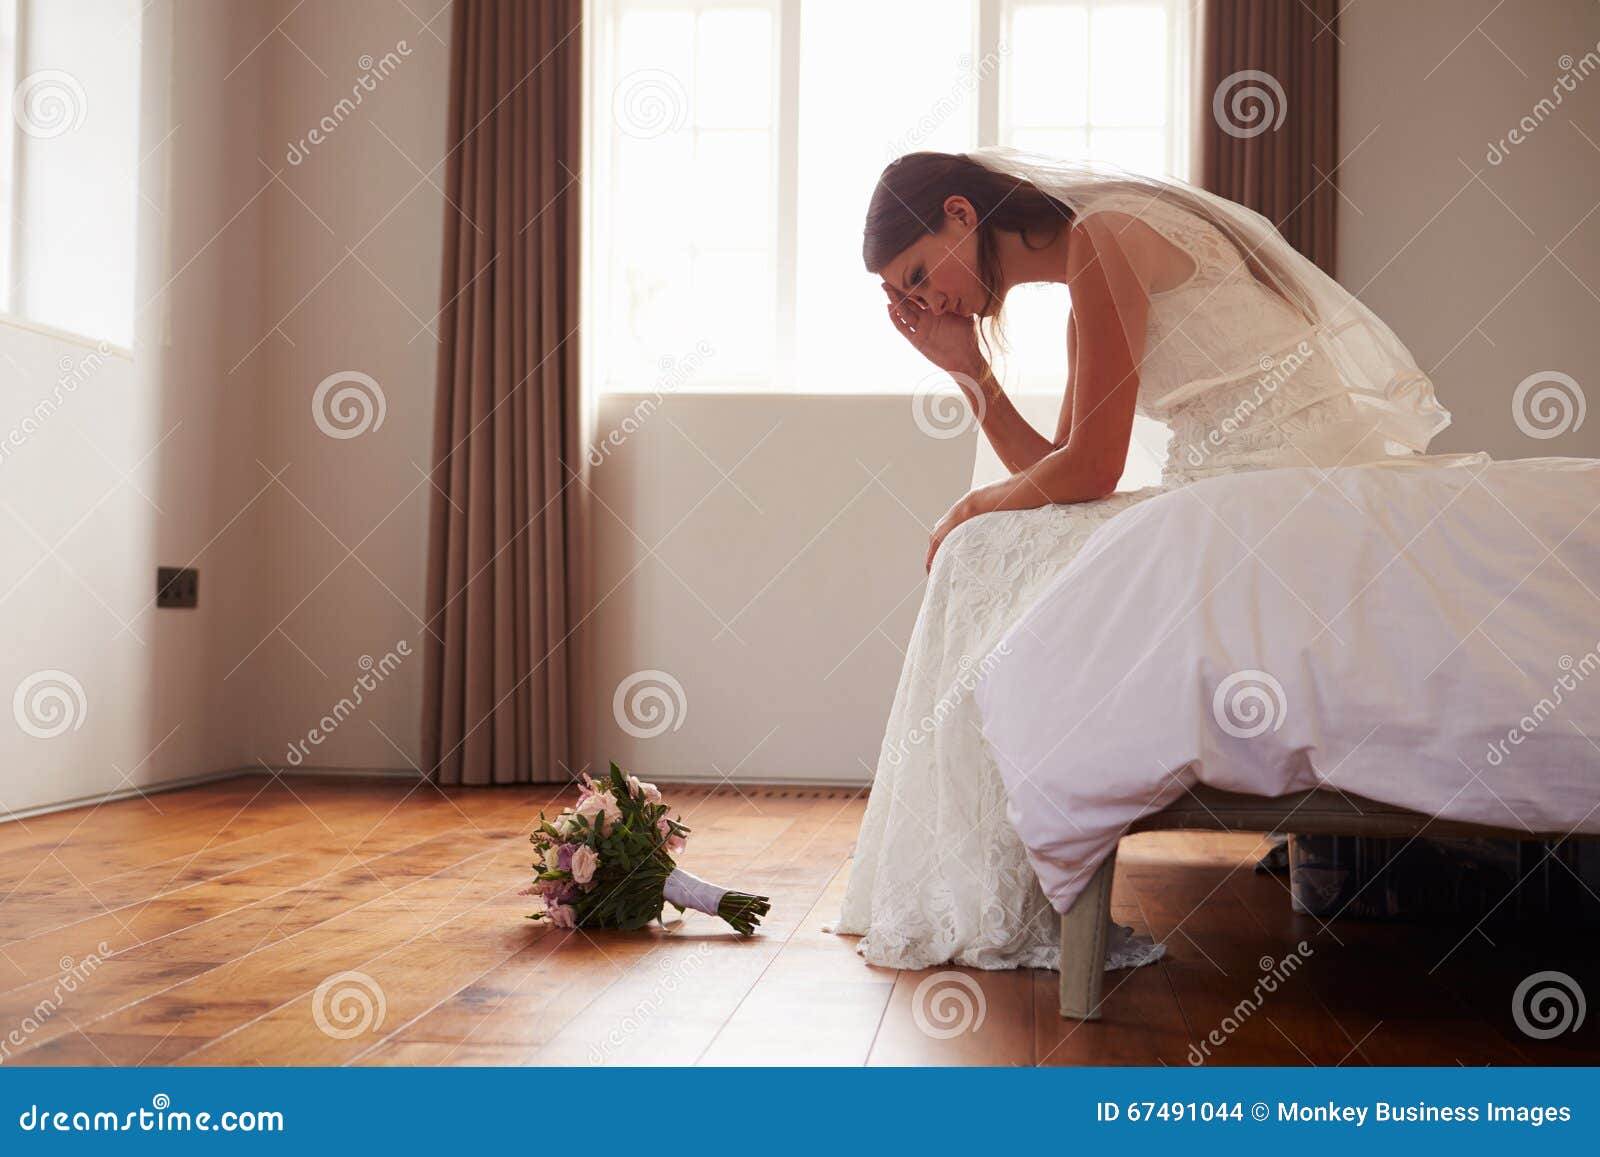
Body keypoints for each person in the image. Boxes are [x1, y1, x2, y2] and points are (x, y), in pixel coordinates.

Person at [828, 146, 1458, 970]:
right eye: (911, 296)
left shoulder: (1106, 235)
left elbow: (1087, 469)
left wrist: (970, 505)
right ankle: (995, 869)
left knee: (980, 547)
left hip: (1277, 493)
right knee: (986, 548)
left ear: (959, 213)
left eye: (918, 273)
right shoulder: (1092, 250)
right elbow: (1068, 470)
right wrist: (970, 372)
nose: (929, 298)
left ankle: (1004, 877)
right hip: (1232, 490)